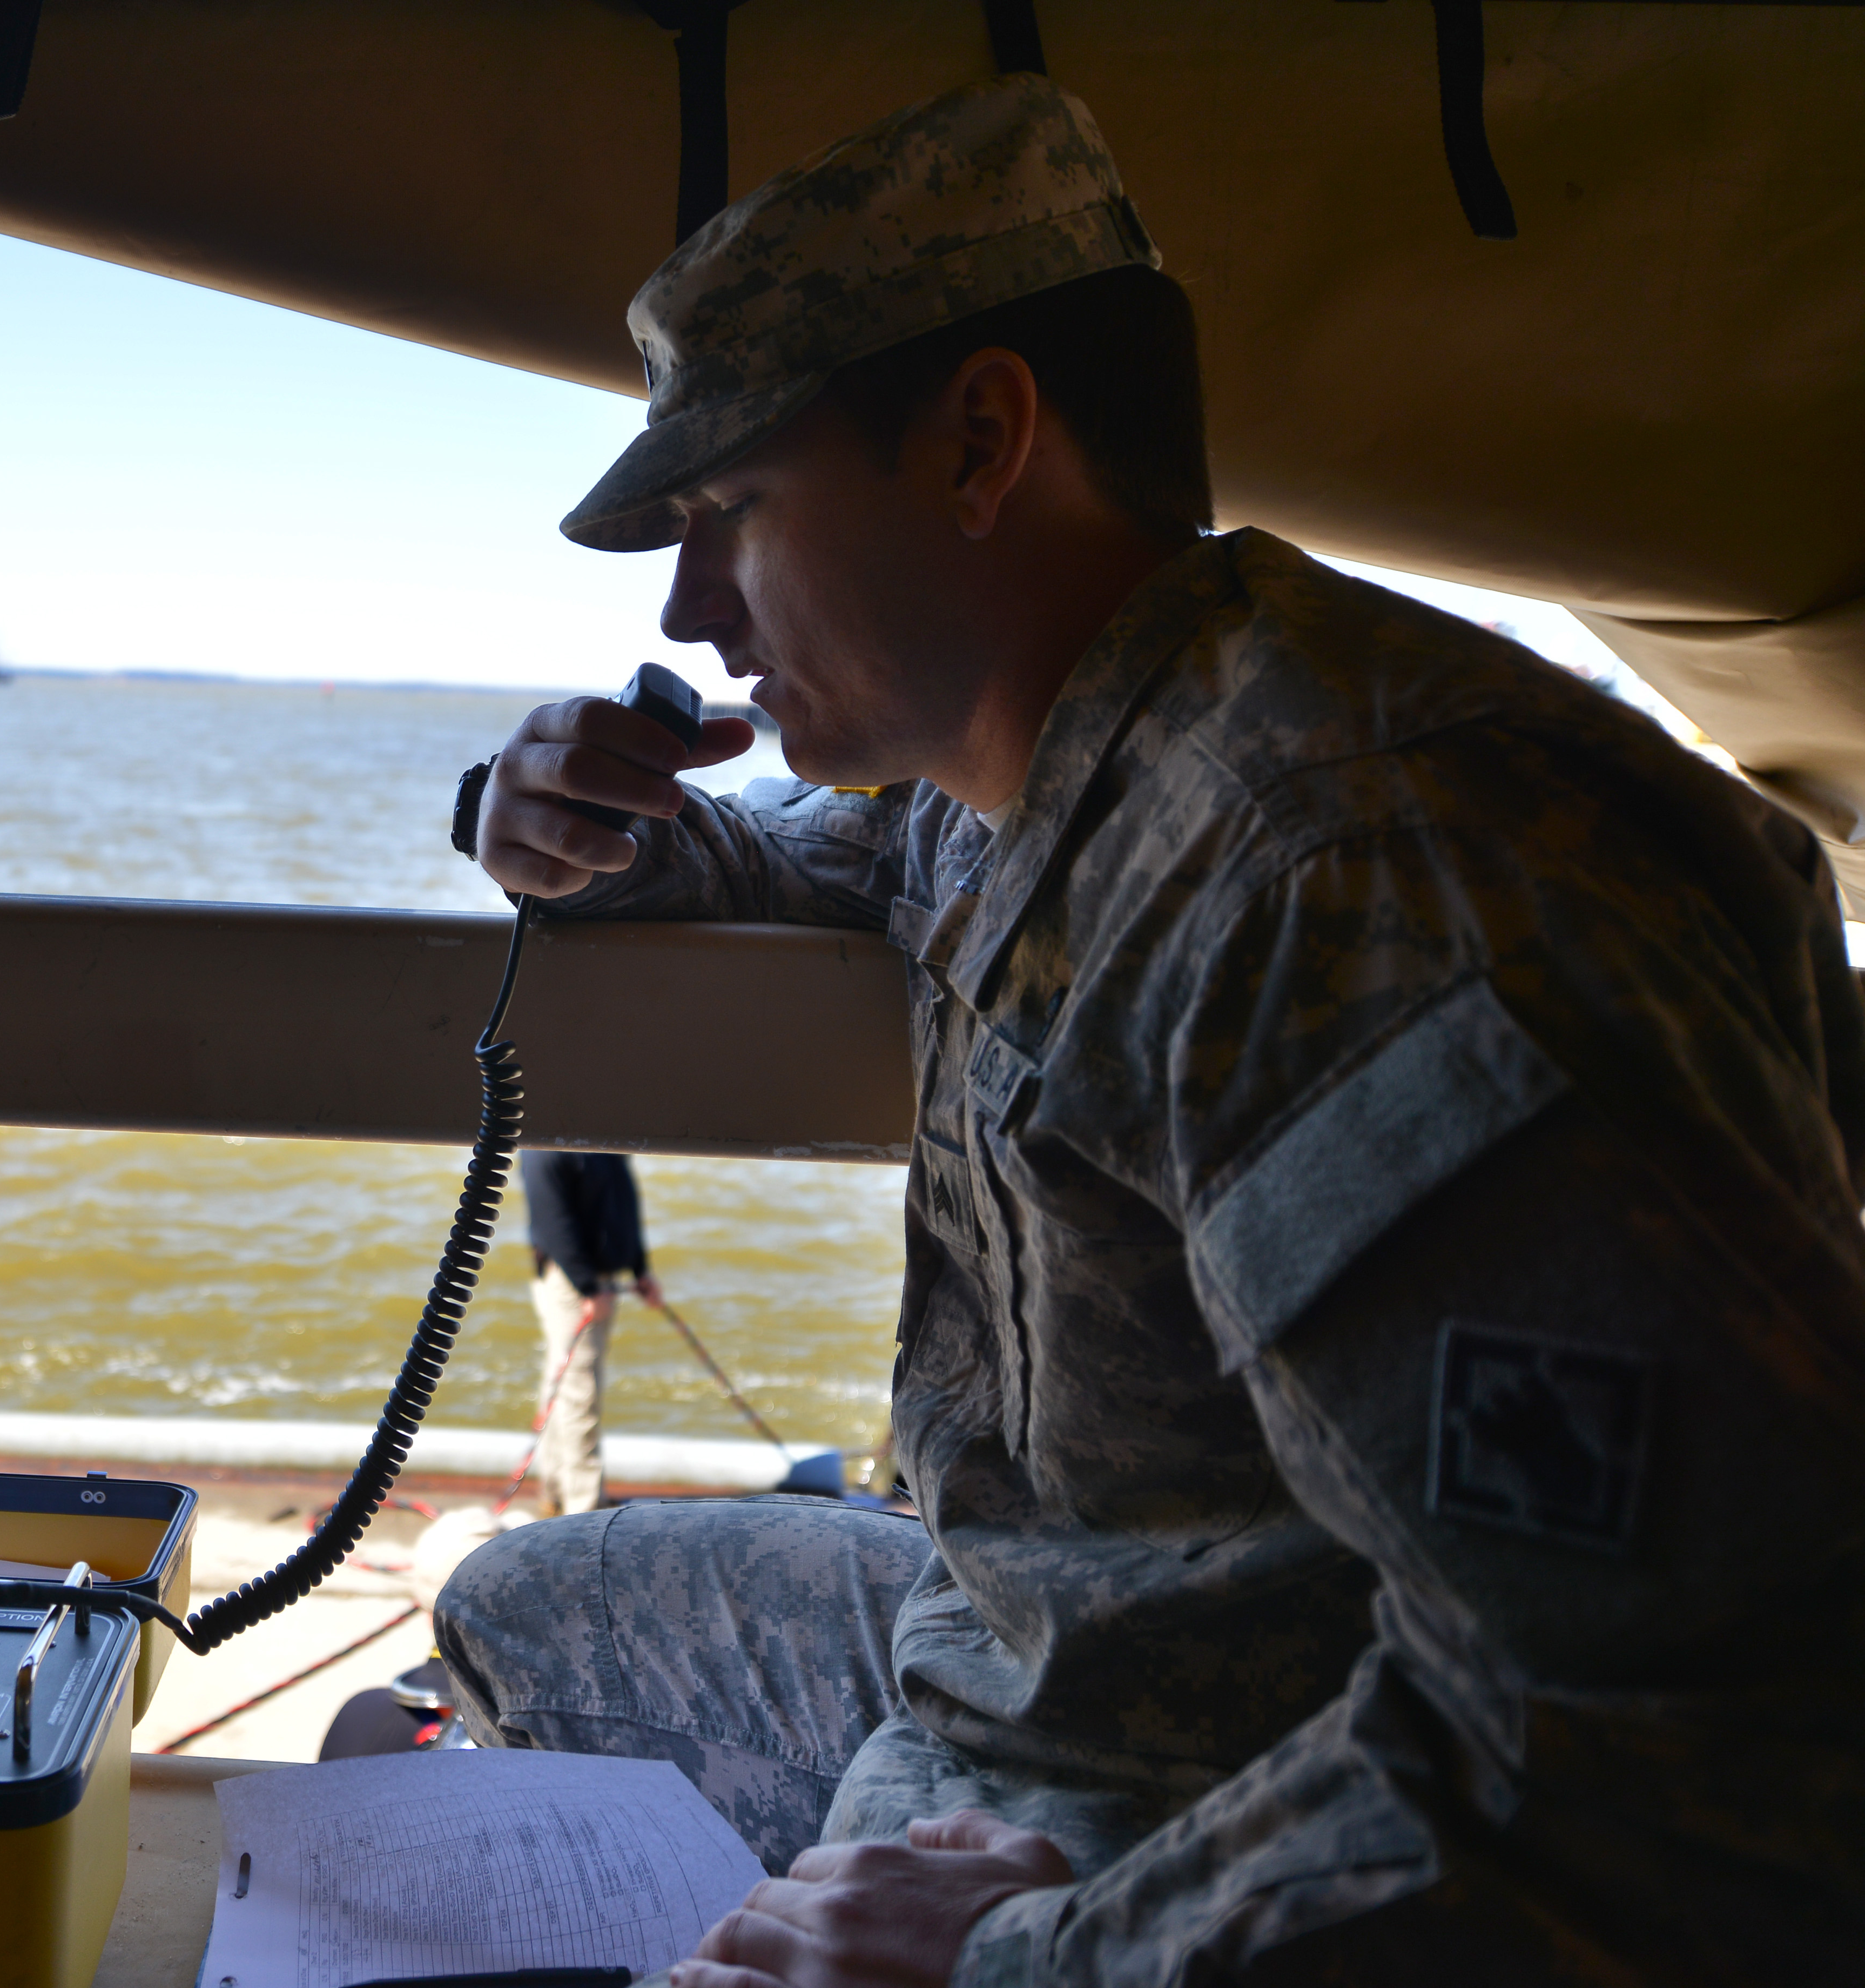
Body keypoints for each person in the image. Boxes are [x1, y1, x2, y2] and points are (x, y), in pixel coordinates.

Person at [432, 72, 1865, 1988]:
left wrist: (1028, 1954)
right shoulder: (1006, 765)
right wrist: (598, 835)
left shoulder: (1358, 877)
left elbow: (1683, 1739)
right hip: (1027, 1645)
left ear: (980, 443)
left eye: (731, 510)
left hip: (1222, 1777)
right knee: (516, 1609)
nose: (691, 608)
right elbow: (814, 856)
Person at [522, 1149, 663, 1515]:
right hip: (572, 1284)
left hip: (598, 1281)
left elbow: (623, 1197)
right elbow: (551, 1219)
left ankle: (554, 1493)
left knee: (564, 1382)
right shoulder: (544, 1146)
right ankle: (583, 1511)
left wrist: (639, 1268)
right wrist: (588, 1288)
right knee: (580, 1394)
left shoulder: (601, 1134)